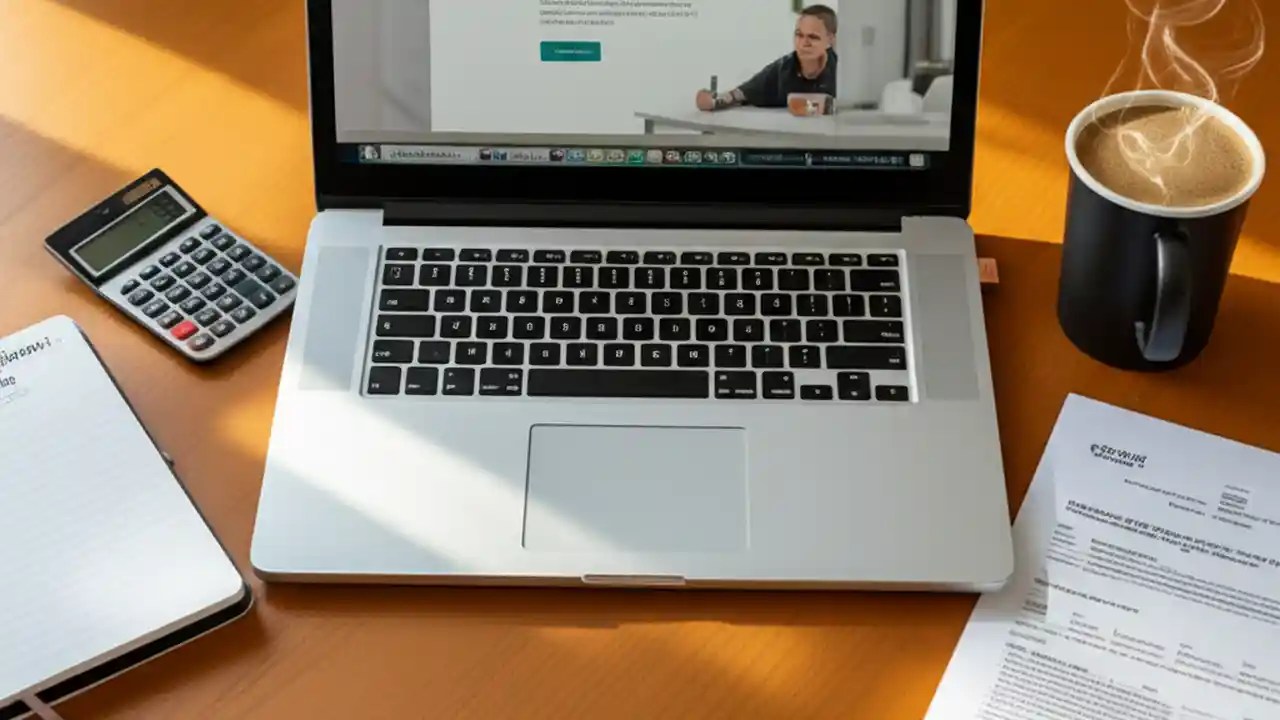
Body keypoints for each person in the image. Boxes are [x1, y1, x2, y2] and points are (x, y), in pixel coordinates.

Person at [696, 4, 838, 112]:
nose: (804, 43)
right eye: (799, 35)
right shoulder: (783, 67)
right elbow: (740, 94)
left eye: (813, 37)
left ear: (830, 39)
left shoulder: (845, 71)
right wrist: (713, 101)